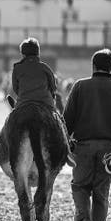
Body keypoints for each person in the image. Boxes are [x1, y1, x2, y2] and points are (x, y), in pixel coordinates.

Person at [63, 49, 111, 221]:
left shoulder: (80, 86)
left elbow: (67, 120)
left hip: (83, 146)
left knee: (79, 186)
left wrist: (67, 143)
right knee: (101, 195)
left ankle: (84, 217)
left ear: (93, 66)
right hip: (108, 148)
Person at [9, 37, 74, 166]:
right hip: (46, 104)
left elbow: (15, 89)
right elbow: (53, 88)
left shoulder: (17, 68)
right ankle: (67, 153)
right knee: (60, 123)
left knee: (9, 124)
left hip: (23, 104)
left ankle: (4, 152)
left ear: (22, 53)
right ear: (38, 53)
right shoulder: (45, 68)